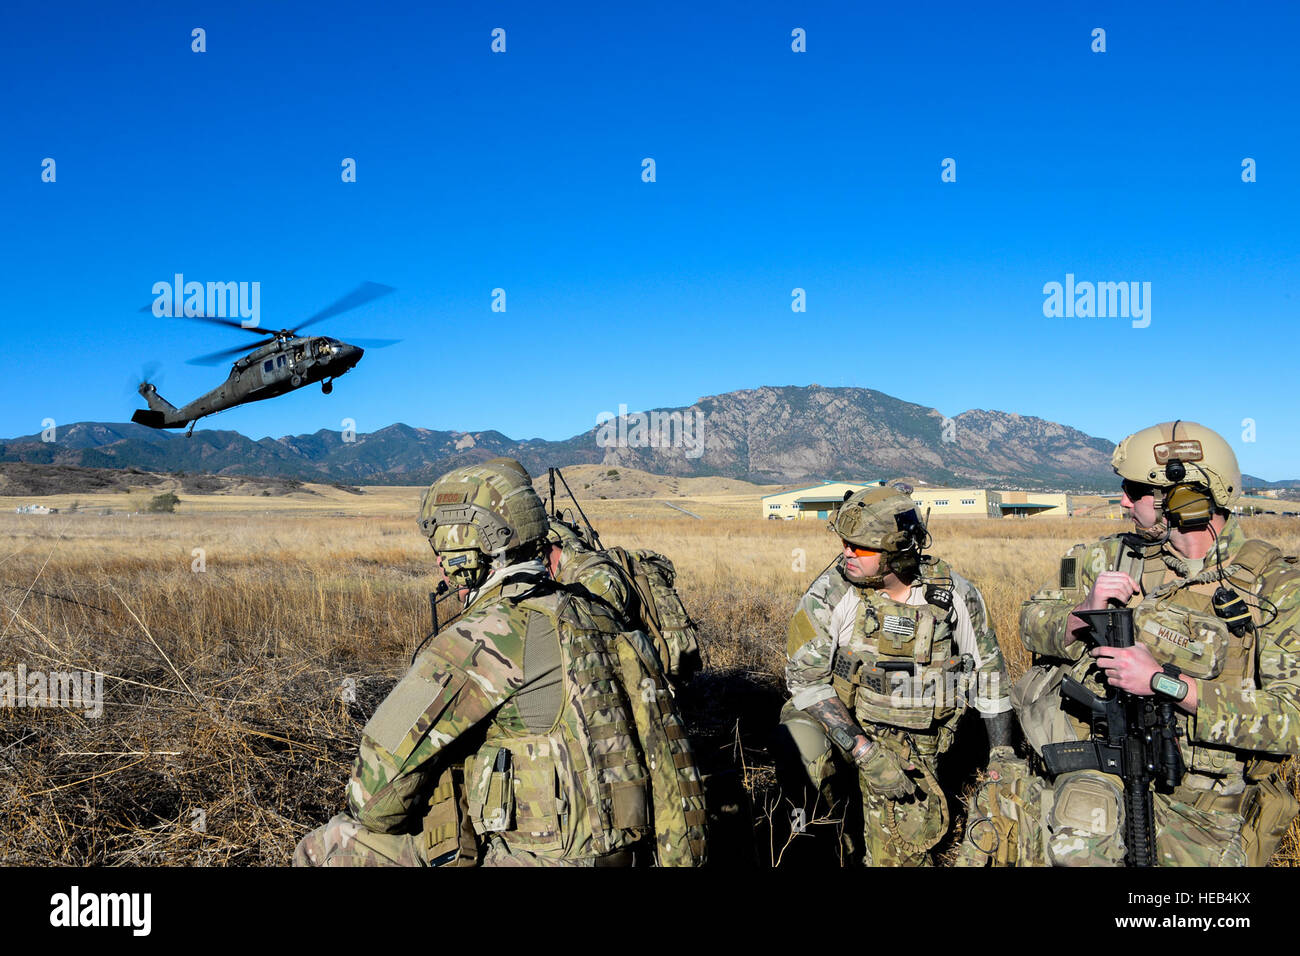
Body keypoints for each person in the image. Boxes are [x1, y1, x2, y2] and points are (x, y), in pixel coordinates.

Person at [294, 458, 706, 867]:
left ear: (468, 553)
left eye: (443, 550)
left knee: (324, 847)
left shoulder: (486, 634)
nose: (439, 563)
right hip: (629, 858)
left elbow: (374, 804)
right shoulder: (603, 616)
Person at [1015, 421, 1300, 866]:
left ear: (1187, 497)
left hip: (1203, 817)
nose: (1124, 500)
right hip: (1103, 782)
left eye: (1135, 489)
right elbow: (1030, 622)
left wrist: (1165, 683)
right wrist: (1080, 612)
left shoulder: (1278, 587)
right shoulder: (1108, 557)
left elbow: (1292, 720)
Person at [777, 484, 1017, 866]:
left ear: (897, 549)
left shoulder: (953, 595)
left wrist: (1001, 756)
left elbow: (990, 676)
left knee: (904, 855)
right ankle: (822, 840)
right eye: (844, 542)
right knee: (803, 746)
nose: (847, 553)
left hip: (919, 741)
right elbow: (806, 682)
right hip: (848, 724)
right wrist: (865, 753)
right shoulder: (830, 595)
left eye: (860, 547)